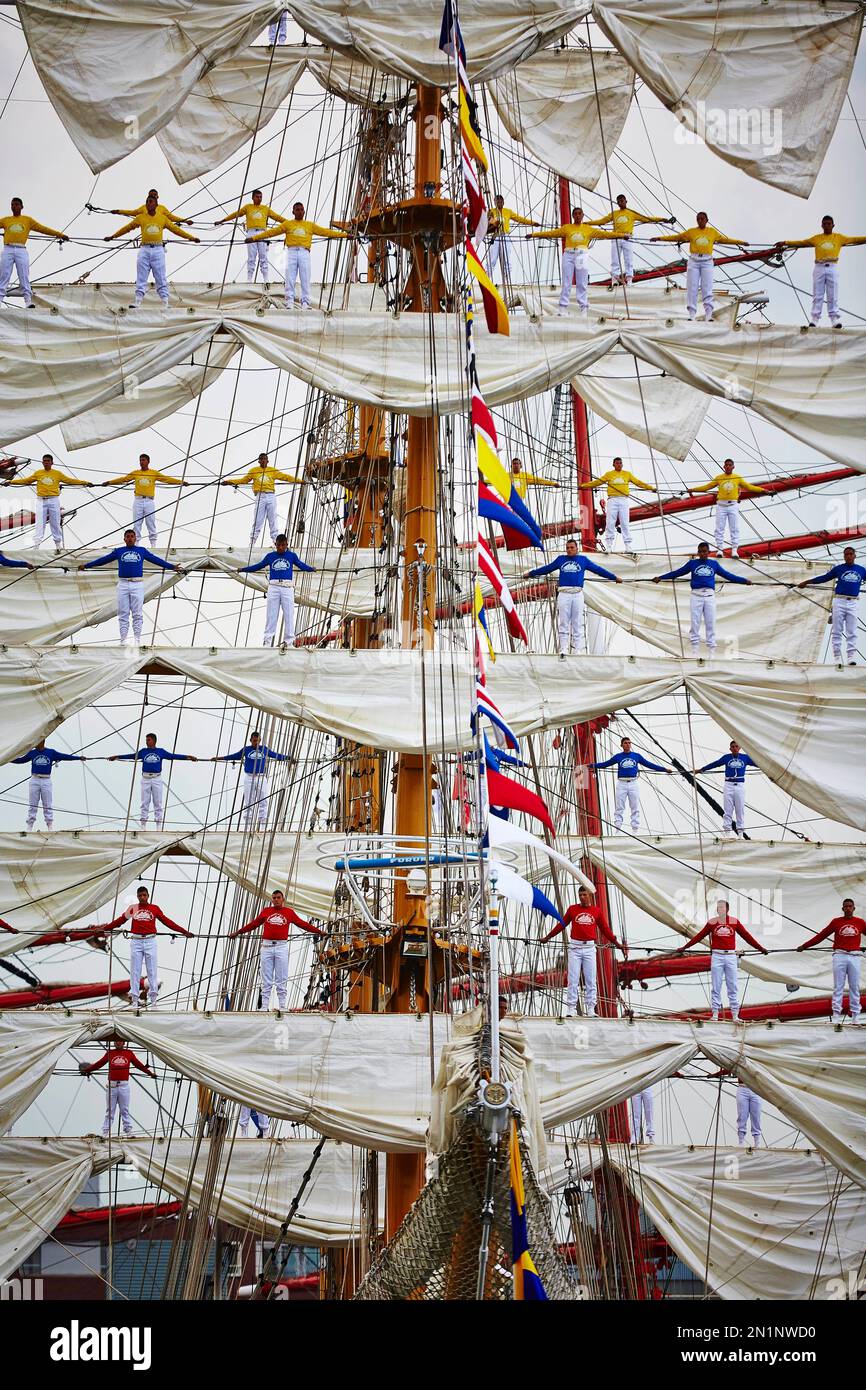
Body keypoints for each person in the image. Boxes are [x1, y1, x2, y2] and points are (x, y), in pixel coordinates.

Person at [93, 884, 193, 1008]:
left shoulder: (154, 908)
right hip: (136, 941)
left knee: (152, 971)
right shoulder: (133, 908)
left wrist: (184, 932)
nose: (142, 897)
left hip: (150, 941)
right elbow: (120, 921)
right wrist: (104, 929)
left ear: (148, 896)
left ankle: (154, 1000)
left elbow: (167, 922)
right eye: (140, 896)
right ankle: (134, 1000)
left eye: (144, 895)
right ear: (137, 897)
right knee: (135, 971)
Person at [78, 529, 183, 647]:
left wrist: (171, 567)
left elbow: (156, 560)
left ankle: (137, 639)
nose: (130, 538)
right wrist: (87, 566)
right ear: (124, 539)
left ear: (135, 538)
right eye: (127, 537)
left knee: (137, 613)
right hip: (123, 584)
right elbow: (103, 560)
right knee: (123, 613)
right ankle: (123, 640)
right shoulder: (119, 551)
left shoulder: (141, 551)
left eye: (132, 536)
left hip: (137, 584)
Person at [229, 889, 324, 1011]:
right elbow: (254, 924)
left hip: (281, 946)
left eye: (278, 897)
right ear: (272, 899)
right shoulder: (266, 911)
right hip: (266, 946)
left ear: (283, 899)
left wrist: (319, 932)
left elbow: (303, 924)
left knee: (281, 977)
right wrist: (238, 932)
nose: (276, 900)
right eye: (274, 898)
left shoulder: (289, 912)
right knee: (266, 978)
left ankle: (282, 1006)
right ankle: (264, 1006)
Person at [541, 885, 626, 1018]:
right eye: (580, 895)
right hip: (575, 947)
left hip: (589, 949)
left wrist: (617, 944)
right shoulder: (573, 909)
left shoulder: (596, 911)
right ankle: (570, 1008)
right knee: (572, 979)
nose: (582, 897)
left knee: (591, 980)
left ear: (590, 895)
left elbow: (605, 930)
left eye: (584, 895)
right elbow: (561, 924)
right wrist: (548, 937)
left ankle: (591, 1008)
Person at [525, 537, 621, 657]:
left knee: (578, 622)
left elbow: (598, 570)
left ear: (577, 549)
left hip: (577, 594)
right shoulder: (561, 560)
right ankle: (564, 648)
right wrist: (531, 573)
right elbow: (547, 569)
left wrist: (613, 577)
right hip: (564, 593)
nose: (569, 550)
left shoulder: (583, 560)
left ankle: (578, 649)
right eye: (567, 548)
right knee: (564, 622)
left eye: (571, 548)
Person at [652, 541, 751, 656]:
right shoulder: (692, 564)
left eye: (704, 551)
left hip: (709, 596)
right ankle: (695, 652)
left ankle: (711, 653)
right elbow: (677, 573)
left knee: (710, 623)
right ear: (698, 552)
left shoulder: (714, 564)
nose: (702, 554)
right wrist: (661, 578)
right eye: (700, 552)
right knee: (695, 623)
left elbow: (728, 575)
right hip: (696, 595)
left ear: (708, 552)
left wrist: (744, 581)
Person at [676, 899, 768, 1022]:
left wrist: (760, 948)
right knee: (716, 986)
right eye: (718, 907)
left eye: (722, 907)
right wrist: (685, 947)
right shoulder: (712, 922)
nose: (720, 909)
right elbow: (699, 936)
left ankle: (735, 1015)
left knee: (732, 986)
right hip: (717, 956)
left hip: (730, 956)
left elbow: (747, 936)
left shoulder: (734, 922)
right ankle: (715, 1014)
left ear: (727, 909)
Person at [104, 192, 200, 308]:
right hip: (144, 249)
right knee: (141, 276)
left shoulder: (162, 217)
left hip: (158, 249)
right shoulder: (140, 217)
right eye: (147, 202)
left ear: (156, 204)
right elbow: (127, 228)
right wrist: (113, 236)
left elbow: (176, 229)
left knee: (160, 276)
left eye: (151, 202)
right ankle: (137, 302)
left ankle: (165, 303)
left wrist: (191, 237)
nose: (148, 204)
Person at [246, 201, 348, 309]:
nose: (299, 212)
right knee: (290, 277)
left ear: (304, 212)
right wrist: (253, 238)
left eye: (301, 210)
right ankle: (289, 301)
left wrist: (345, 235)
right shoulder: (288, 224)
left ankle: (305, 302)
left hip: (304, 252)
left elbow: (327, 232)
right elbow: (270, 233)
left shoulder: (310, 225)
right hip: (292, 252)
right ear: (293, 212)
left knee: (305, 277)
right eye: (297, 210)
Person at [652, 212, 747, 321]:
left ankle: (708, 315)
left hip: (707, 261)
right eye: (698, 219)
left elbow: (725, 240)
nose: (700, 221)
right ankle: (692, 315)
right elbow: (677, 237)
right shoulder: (692, 232)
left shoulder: (712, 232)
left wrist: (741, 242)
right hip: (694, 261)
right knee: (692, 288)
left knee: (707, 287)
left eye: (702, 219)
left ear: (707, 220)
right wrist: (660, 238)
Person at [775, 216, 866, 328]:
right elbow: (802, 242)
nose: (827, 226)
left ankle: (834, 320)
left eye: (829, 224)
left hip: (832, 266)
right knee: (817, 294)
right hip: (819, 266)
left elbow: (855, 240)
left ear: (833, 225)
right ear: (822, 225)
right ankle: (814, 319)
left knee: (832, 294)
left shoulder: (839, 238)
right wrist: (785, 242)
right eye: (825, 224)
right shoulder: (817, 238)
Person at [526, 206, 621, 314]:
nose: (577, 216)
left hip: (581, 255)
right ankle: (562, 308)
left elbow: (606, 234)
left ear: (582, 215)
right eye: (575, 214)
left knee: (582, 283)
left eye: (579, 213)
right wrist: (534, 235)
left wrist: (621, 236)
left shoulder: (588, 229)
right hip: (568, 254)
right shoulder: (567, 228)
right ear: (572, 216)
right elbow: (551, 233)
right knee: (566, 282)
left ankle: (584, 309)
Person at [238, 533, 315, 647]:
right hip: (273, 587)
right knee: (271, 614)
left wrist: (310, 569)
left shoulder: (291, 556)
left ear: (286, 545)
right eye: (278, 545)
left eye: (283, 545)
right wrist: (244, 569)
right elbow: (258, 566)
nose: (280, 548)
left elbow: (300, 565)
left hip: (287, 587)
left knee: (289, 613)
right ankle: (267, 641)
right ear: (275, 544)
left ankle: (289, 642)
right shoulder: (270, 556)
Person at [110, 732, 198, 830]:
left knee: (158, 802)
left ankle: (158, 825)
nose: (147, 742)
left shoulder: (161, 751)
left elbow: (173, 756)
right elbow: (131, 756)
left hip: (157, 778)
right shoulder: (143, 751)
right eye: (146, 740)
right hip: (145, 778)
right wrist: (117, 756)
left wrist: (188, 757)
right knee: (145, 802)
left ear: (154, 741)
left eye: (148, 740)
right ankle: (143, 824)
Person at [797, 897, 864, 1025]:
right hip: (840, 955)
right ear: (843, 909)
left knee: (854, 986)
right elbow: (821, 936)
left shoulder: (860, 922)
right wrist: (805, 946)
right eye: (846, 906)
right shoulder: (836, 922)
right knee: (838, 987)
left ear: (854, 908)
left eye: (850, 906)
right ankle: (836, 1016)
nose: (848, 908)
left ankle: (855, 1016)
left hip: (855, 956)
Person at [5, 453, 94, 551]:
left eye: (48, 461)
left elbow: (70, 481)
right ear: (42, 462)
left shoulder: (57, 474)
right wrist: (11, 482)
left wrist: (85, 483)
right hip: (41, 500)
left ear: (52, 462)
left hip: (53, 500)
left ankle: (58, 544)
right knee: (40, 522)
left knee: (55, 521)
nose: (46, 462)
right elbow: (26, 481)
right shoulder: (38, 473)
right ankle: (36, 545)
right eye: (44, 461)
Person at [101, 453, 189, 546]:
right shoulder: (136, 473)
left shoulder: (153, 473)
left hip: (149, 500)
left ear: (148, 461)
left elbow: (167, 479)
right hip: (138, 500)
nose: (141, 462)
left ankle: (153, 544)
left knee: (150, 521)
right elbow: (124, 479)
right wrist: (110, 482)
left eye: (143, 460)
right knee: (137, 522)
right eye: (140, 460)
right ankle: (137, 544)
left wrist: (181, 482)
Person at [797, 546, 865, 666]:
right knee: (837, 630)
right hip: (840, 600)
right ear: (844, 556)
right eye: (846, 554)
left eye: (850, 554)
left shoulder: (861, 570)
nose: (848, 556)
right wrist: (807, 582)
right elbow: (824, 578)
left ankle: (851, 657)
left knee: (852, 630)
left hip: (853, 602)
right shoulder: (839, 569)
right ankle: (837, 657)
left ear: (855, 555)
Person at [686, 459, 768, 557]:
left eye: (730, 465)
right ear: (724, 467)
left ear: (733, 467)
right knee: (719, 528)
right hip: (721, 505)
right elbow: (707, 487)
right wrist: (693, 490)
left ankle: (734, 550)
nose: (728, 467)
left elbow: (749, 487)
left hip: (733, 505)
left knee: (734, 528)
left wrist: (763, 490)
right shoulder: (719, 478)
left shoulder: (737, 478)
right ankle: (719, 549)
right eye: (726, 465)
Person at [589, 736, 671, 833]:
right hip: (621, 783)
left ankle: (635, 829)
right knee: (619, 806)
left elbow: (650, 765)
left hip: (633, 783)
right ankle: (618, 828)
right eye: (625, 743)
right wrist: (591, 766)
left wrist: (664, 769)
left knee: (634, 806)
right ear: (622, 745)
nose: (628, 744)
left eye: (629, 743)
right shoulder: (618, 757)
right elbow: (605, 764)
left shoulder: (636, 756)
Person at [211, 730, 290, 830]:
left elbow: (276, 755)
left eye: (257, 741)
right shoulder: (246, 750)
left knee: (263, 801)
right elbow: (235, 756)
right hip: (249, 777)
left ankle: (262, 826)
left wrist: (287, 758)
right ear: (250, 740)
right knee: (249, 801)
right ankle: (247, 827)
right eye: (254, 741)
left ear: (260, 740)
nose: (256, 743)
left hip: (261, 777)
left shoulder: (264, 749)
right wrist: (219, 758)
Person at [221, 452, 303, 545]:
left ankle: (275, 541)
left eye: (265, 459)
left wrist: (300, 481)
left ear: (267, 461)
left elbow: (286, 477)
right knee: (258, 519)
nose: (263, 461)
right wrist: (229, 482)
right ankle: (252, 542)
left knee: (273, 518)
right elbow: (243, 480)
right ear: (259, 461)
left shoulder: (272, 470)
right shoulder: (254, 470)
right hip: (260, 496)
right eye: (261, 459)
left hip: (271, 495)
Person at [589, 194, 674, 284]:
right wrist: (587, 223)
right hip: (616, 238)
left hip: (627, 238)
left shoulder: (631, 213)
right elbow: (602, 221)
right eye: (619, 201)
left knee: (628, 260)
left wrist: (662, 219)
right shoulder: (614, 214)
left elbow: (647, 219)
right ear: (617, 203)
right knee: (615, 260)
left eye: (622, 201)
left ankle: (629, 280)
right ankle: (614, 279)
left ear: (626, 201)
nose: (621, 203)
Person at [0, 196, 68, 308]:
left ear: (21, 207)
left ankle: (28, 301)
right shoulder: (6, 220)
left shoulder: (27, 220)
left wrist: (60, 234)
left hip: (21, 249)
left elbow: (43, 228)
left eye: (16, 204)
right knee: (4, 275)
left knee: (24, 275)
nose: (14, 206)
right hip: (8, 249)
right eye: (12, 204)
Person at [578, 456, 657, 552]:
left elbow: (638, 483)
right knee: (610, 522)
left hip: (623, 499)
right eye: (617, 463)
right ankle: (609, 546)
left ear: (622, 464)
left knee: (625, 523)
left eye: (620, 463)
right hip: (612, 500)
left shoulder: (627, 474)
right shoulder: (609, 474)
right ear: (613, 464)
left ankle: (628, 546)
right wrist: (584, 486)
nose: (619, 465)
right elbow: (597, 482)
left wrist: (651, 488)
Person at [80, 1039, 154, 1139]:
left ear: (124, 1043)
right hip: (112, 1086)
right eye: (116, 1041)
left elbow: (139, 1065)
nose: (118, 1043)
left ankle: (129, 1131)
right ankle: (105, 1133)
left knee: (124, 1110)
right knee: (110, 1111)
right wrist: (87, 1070)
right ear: (114, 1043)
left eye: (120, 1041)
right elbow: (99, 1064)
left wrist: (150, 1073)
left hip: (124, 1085)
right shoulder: (110, 1053)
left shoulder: (129, 1053)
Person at [12, 739, 87, 830]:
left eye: (37, 742)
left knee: (47, 803)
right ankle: (30, 825)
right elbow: (21, 760)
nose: (35, 744)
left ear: (42, 742)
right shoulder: (32, 753)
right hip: (35, 779)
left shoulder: (51, 752)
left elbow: (65, 756)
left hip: (46, 780)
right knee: (33, 803)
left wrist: (78, 758)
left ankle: (49, 824)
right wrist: (6, 759)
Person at [214, 189, 282, 282]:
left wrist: (289, 223)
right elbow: (236, 214)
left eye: (260, 197)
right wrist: (222, 220)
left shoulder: (265, 209)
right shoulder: (248, 207)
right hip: (251, 232)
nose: (259, 199)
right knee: (251, 257)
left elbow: (277, 217)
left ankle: (266, 279)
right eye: (257, 197)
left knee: (263, 257)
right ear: (253, 198)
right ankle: (249, 279)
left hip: (262, 233)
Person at [694, 740, 759, 836]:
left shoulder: (745, 758)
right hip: (728, 785)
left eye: (736, 746)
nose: (735, 748)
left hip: (739, 785)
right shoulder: (726, 758)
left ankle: (740, 833)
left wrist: (770, 768)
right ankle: (727, 832)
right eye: (733, 747)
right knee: (728, 809)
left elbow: (758, 763)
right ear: (730, 749)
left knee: (739, 809)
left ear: (739, 748)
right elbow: (715, 764)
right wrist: (702, 769)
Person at [485, 194, 537, 281]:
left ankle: (507, 280)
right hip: (495, 236)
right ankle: (487, 280)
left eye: (501, 201)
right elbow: (485, 222)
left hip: (505, 236)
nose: (499, 203)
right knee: (492, 259)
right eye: (497, 201)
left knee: (507, 260)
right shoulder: (491, 211)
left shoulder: (508, 211)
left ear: (503, 202)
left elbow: (520, 219)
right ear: (494, 202)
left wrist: (532, 223)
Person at [736, 1080, 762, 1147]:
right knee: (742, 1115)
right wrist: (716, 1074)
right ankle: (741, 1141)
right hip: (742, 1088)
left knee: (756, 1116)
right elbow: (731, 1069)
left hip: (755, 1089)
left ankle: (757, 1142)